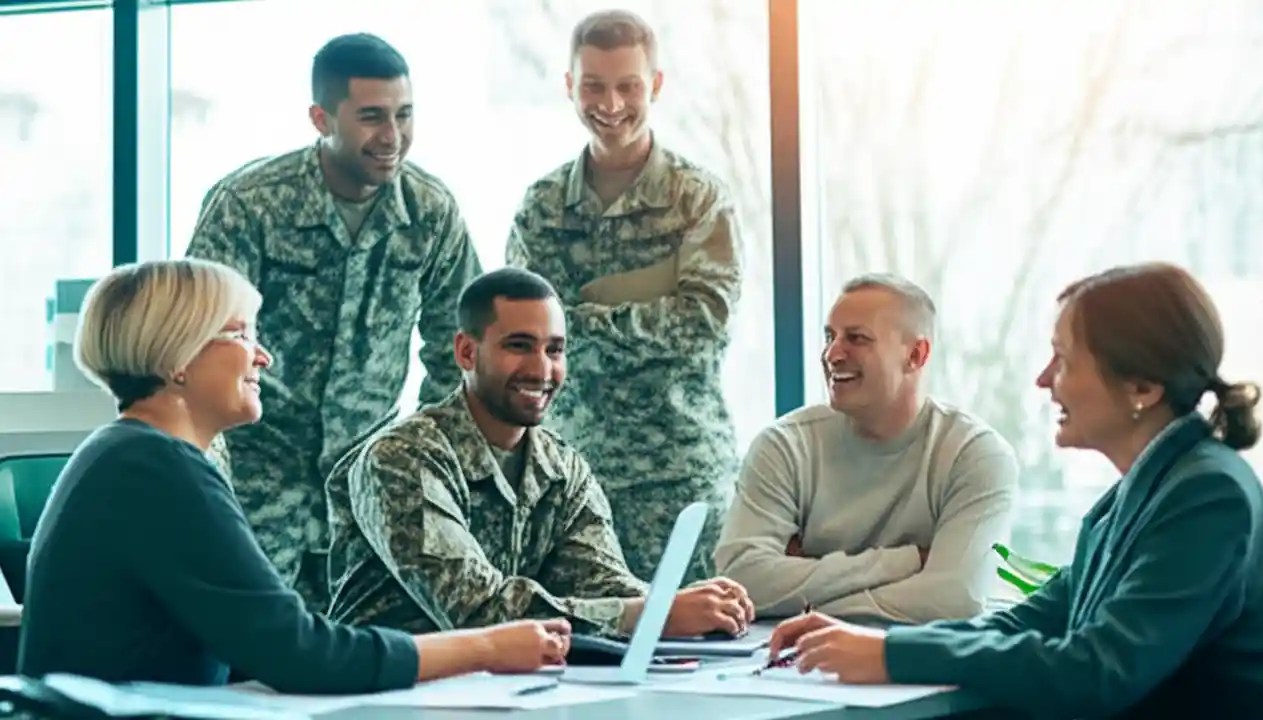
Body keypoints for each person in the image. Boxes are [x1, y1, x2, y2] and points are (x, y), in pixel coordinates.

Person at [17, 260, 569, 693]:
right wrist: (488, 648)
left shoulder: (131, 455)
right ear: (176, 358)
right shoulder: (154, 468)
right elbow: (301, 653)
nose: (264, 357)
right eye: (239, 335)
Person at [767, 263, 1263, 718]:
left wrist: (889, 657)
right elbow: (1032, 619)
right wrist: (877, 643)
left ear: (1142, 389)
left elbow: (1098, 670)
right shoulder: (1146, 490)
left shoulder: (1208, 495)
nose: (1042, 380)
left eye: (1063, 360)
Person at [186, 33, 481, 610]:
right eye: (371, 117)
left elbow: (460, 348)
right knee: (239, 649)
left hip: (369, 480)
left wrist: (424, 453)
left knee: (368, 659)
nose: (392, 137)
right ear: (322, 117)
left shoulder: (431, 211)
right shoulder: (250, 204)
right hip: (256, 471)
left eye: (404, 114)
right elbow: (201, 340)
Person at [326, 267, 754, 638]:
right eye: (519, 345)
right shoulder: (401, 458)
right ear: (466, 352)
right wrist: (654, 614)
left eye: (555, 349)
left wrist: (687, 604)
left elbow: (601, 586)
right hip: (384, 695)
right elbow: (477, 610)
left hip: (506, 692)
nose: (541, 369)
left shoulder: (562, 468)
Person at [506, 9, 743, 582]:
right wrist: (647, 302)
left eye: (628, 86)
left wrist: (584, 314)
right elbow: (529, 339)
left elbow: (704, 323)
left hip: (681, 473)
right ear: (570, 86)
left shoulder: (697, 198)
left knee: (700, 649)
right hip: (571, 476)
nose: (610, 104)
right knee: (579, 651)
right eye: (593, 85)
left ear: (655, 85)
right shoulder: (542, 208)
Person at [715, 274, 1018, 623]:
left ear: (916, 355)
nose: (832, 354)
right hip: (793, 661)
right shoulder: (784, 446)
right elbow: (741, 582)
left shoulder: (975, 455)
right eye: (830, 337)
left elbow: (954, 598)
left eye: (856, 339)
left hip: (917, 666)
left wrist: (805, 598)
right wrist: (910, 562)